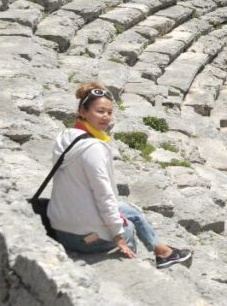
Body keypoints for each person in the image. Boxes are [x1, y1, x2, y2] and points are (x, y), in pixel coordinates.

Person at [48, 82, 192, 269]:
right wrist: (118, 235)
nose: (106, 117)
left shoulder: (67, 135)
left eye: (109, 112)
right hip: (81, 236)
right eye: (100, 111)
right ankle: (132, 267)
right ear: (83, 111)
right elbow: (103, 194)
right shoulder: (93, 148)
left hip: (61, 224)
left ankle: (163, 252)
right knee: (128, 229)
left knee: (131, 211)